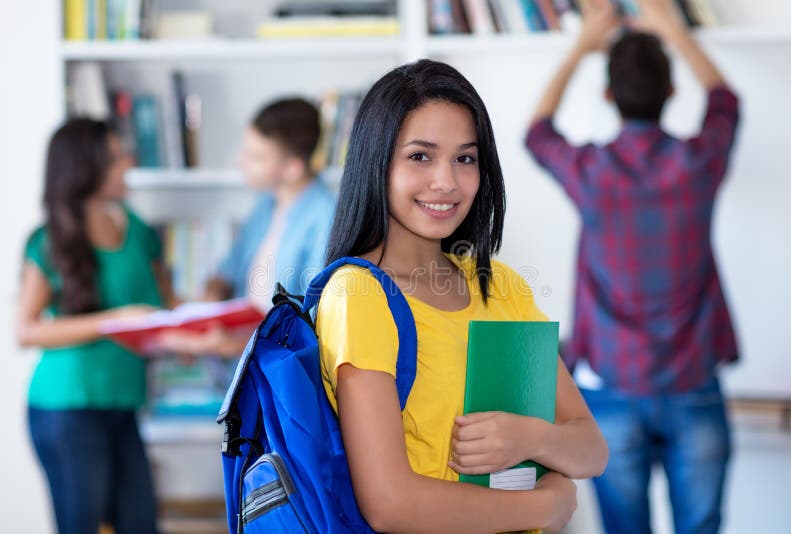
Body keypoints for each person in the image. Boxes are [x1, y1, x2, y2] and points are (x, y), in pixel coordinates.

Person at [316, 59, 608, 533]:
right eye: (420, 156)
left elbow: (592, 449)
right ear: (377, 162)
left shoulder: (501, 286)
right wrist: (544, 506)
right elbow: (390, 502)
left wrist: (528, 437)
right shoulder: (358, 295)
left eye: (465, 158)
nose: (447, 182)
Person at [525, 1, 740, 533]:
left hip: (611, 385)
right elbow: (725, 101)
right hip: (694, 382)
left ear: (608, 95)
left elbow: (537, 132)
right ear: (671, 92)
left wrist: (581, 45)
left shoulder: (592, 171)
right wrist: (670, 24)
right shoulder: (698, 163)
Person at [16, 118, 174, 534]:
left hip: (122, 404)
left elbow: (166, 309)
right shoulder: (50, 241)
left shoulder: (138, 230)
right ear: (86, 168)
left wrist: (206, 328)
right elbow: (26, 330)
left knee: (141, 524)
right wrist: (110, 322)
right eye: (116, 157)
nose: (128, 163)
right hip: (66, 408)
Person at [160, 97, 336, 358]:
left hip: (283, 368)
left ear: (292, 168)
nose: (240, 161)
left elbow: (312, 320)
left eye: (256, 157)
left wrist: (225, 344)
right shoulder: (266, 205)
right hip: (246, 362)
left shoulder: (326, 216)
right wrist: (211, 300)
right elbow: (227, 271)